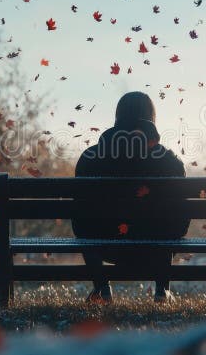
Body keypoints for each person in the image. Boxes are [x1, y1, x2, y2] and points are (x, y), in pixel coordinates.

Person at [73, 91, 188, 303]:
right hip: (155, 245)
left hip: (105, 243)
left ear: (118, 117)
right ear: (152, 118)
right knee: (168, 225)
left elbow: (79, 218)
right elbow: (180, 218)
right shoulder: (168, 161)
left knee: (86, 227)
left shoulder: (90, 157)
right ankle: (162, 289)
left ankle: (101, 288)